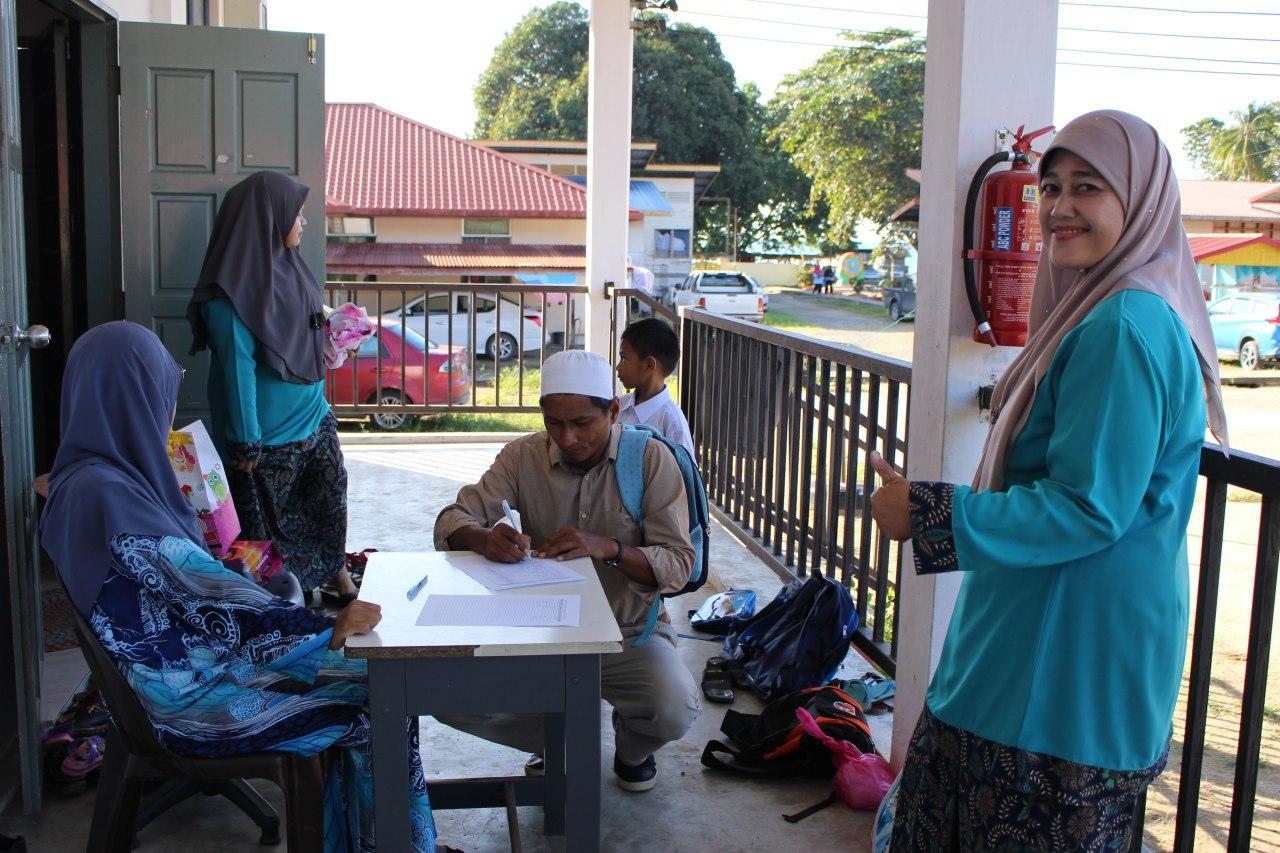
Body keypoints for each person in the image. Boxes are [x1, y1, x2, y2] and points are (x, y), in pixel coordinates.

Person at [868, 110, 1229, 851]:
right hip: (1038, 649)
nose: (1061, 207)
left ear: (1142, 201)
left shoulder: (1124, 325)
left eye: (1089, 188)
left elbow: (1087, 507)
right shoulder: (1103, 309)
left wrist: (928, 511)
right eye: (1052, 186)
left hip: (1060, 676)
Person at [39, 322, 440, 852]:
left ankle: (375, 841)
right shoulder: (106, 494)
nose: (166, 407)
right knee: (379, 698)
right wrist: (323, 628)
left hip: (180, 669)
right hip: (185, 697)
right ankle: (391, 844)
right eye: (161, 390)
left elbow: (182, 582)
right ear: (132, 396)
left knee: (378, 683)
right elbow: (209, 595)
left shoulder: (88, 478)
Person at [433, 350, 701, 793]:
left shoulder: (650, 460)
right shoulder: (522, 457)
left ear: (613, 411)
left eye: (582, 423)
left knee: (672, 706)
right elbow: (451, 520)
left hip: (627, 630)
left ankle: (632, 749)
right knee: (446, 693)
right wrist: (485, 538)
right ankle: (556, 737)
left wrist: (610, 549)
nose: (568, 438)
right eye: (555, 423)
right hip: (539, 631)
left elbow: (677, 565)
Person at [187, 171, 357, 604]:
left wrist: (335, 334)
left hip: (314, 417)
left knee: (329, 497)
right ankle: (279, 605)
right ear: (268, 217)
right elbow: (236, 371)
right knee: (267, 530)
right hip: (267, 440)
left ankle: (333, 574)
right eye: (296, 213)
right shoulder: (226, 299)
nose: (304, 221)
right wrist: (246, 444)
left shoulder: (292, 270)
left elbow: (303, 328)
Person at [615, 318, 696, 459]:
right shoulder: (618, 408)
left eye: (624, 358)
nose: (618, 367)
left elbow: (685, 474)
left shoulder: (672, 422)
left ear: (649, 365)